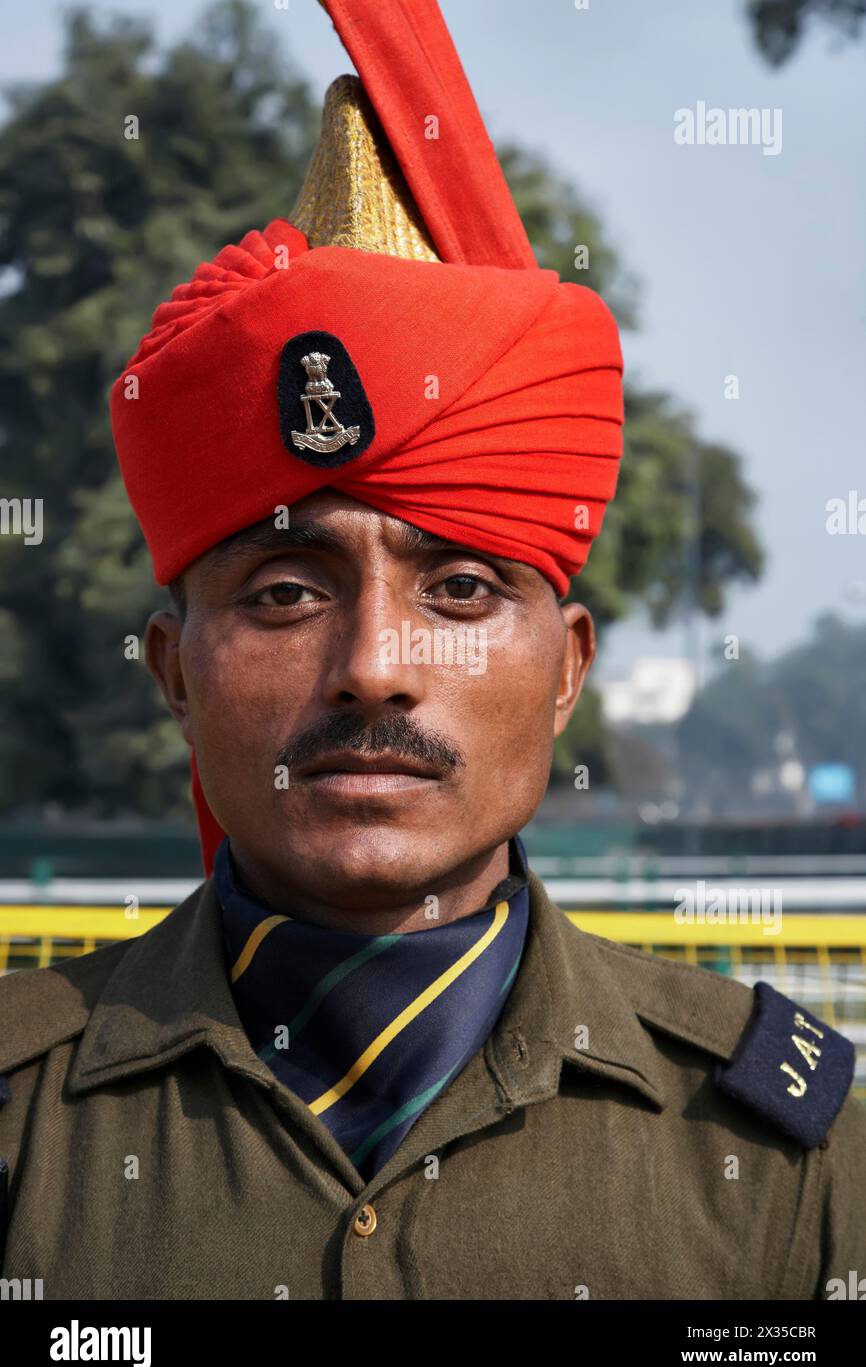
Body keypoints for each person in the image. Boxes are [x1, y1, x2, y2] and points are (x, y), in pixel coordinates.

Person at [1, 0, 863, 1300]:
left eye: (457, 586)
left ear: (568, 665)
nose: (372, 665)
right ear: (173, 668)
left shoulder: (787, 1163)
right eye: (287, 591)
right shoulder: (21, 1131)